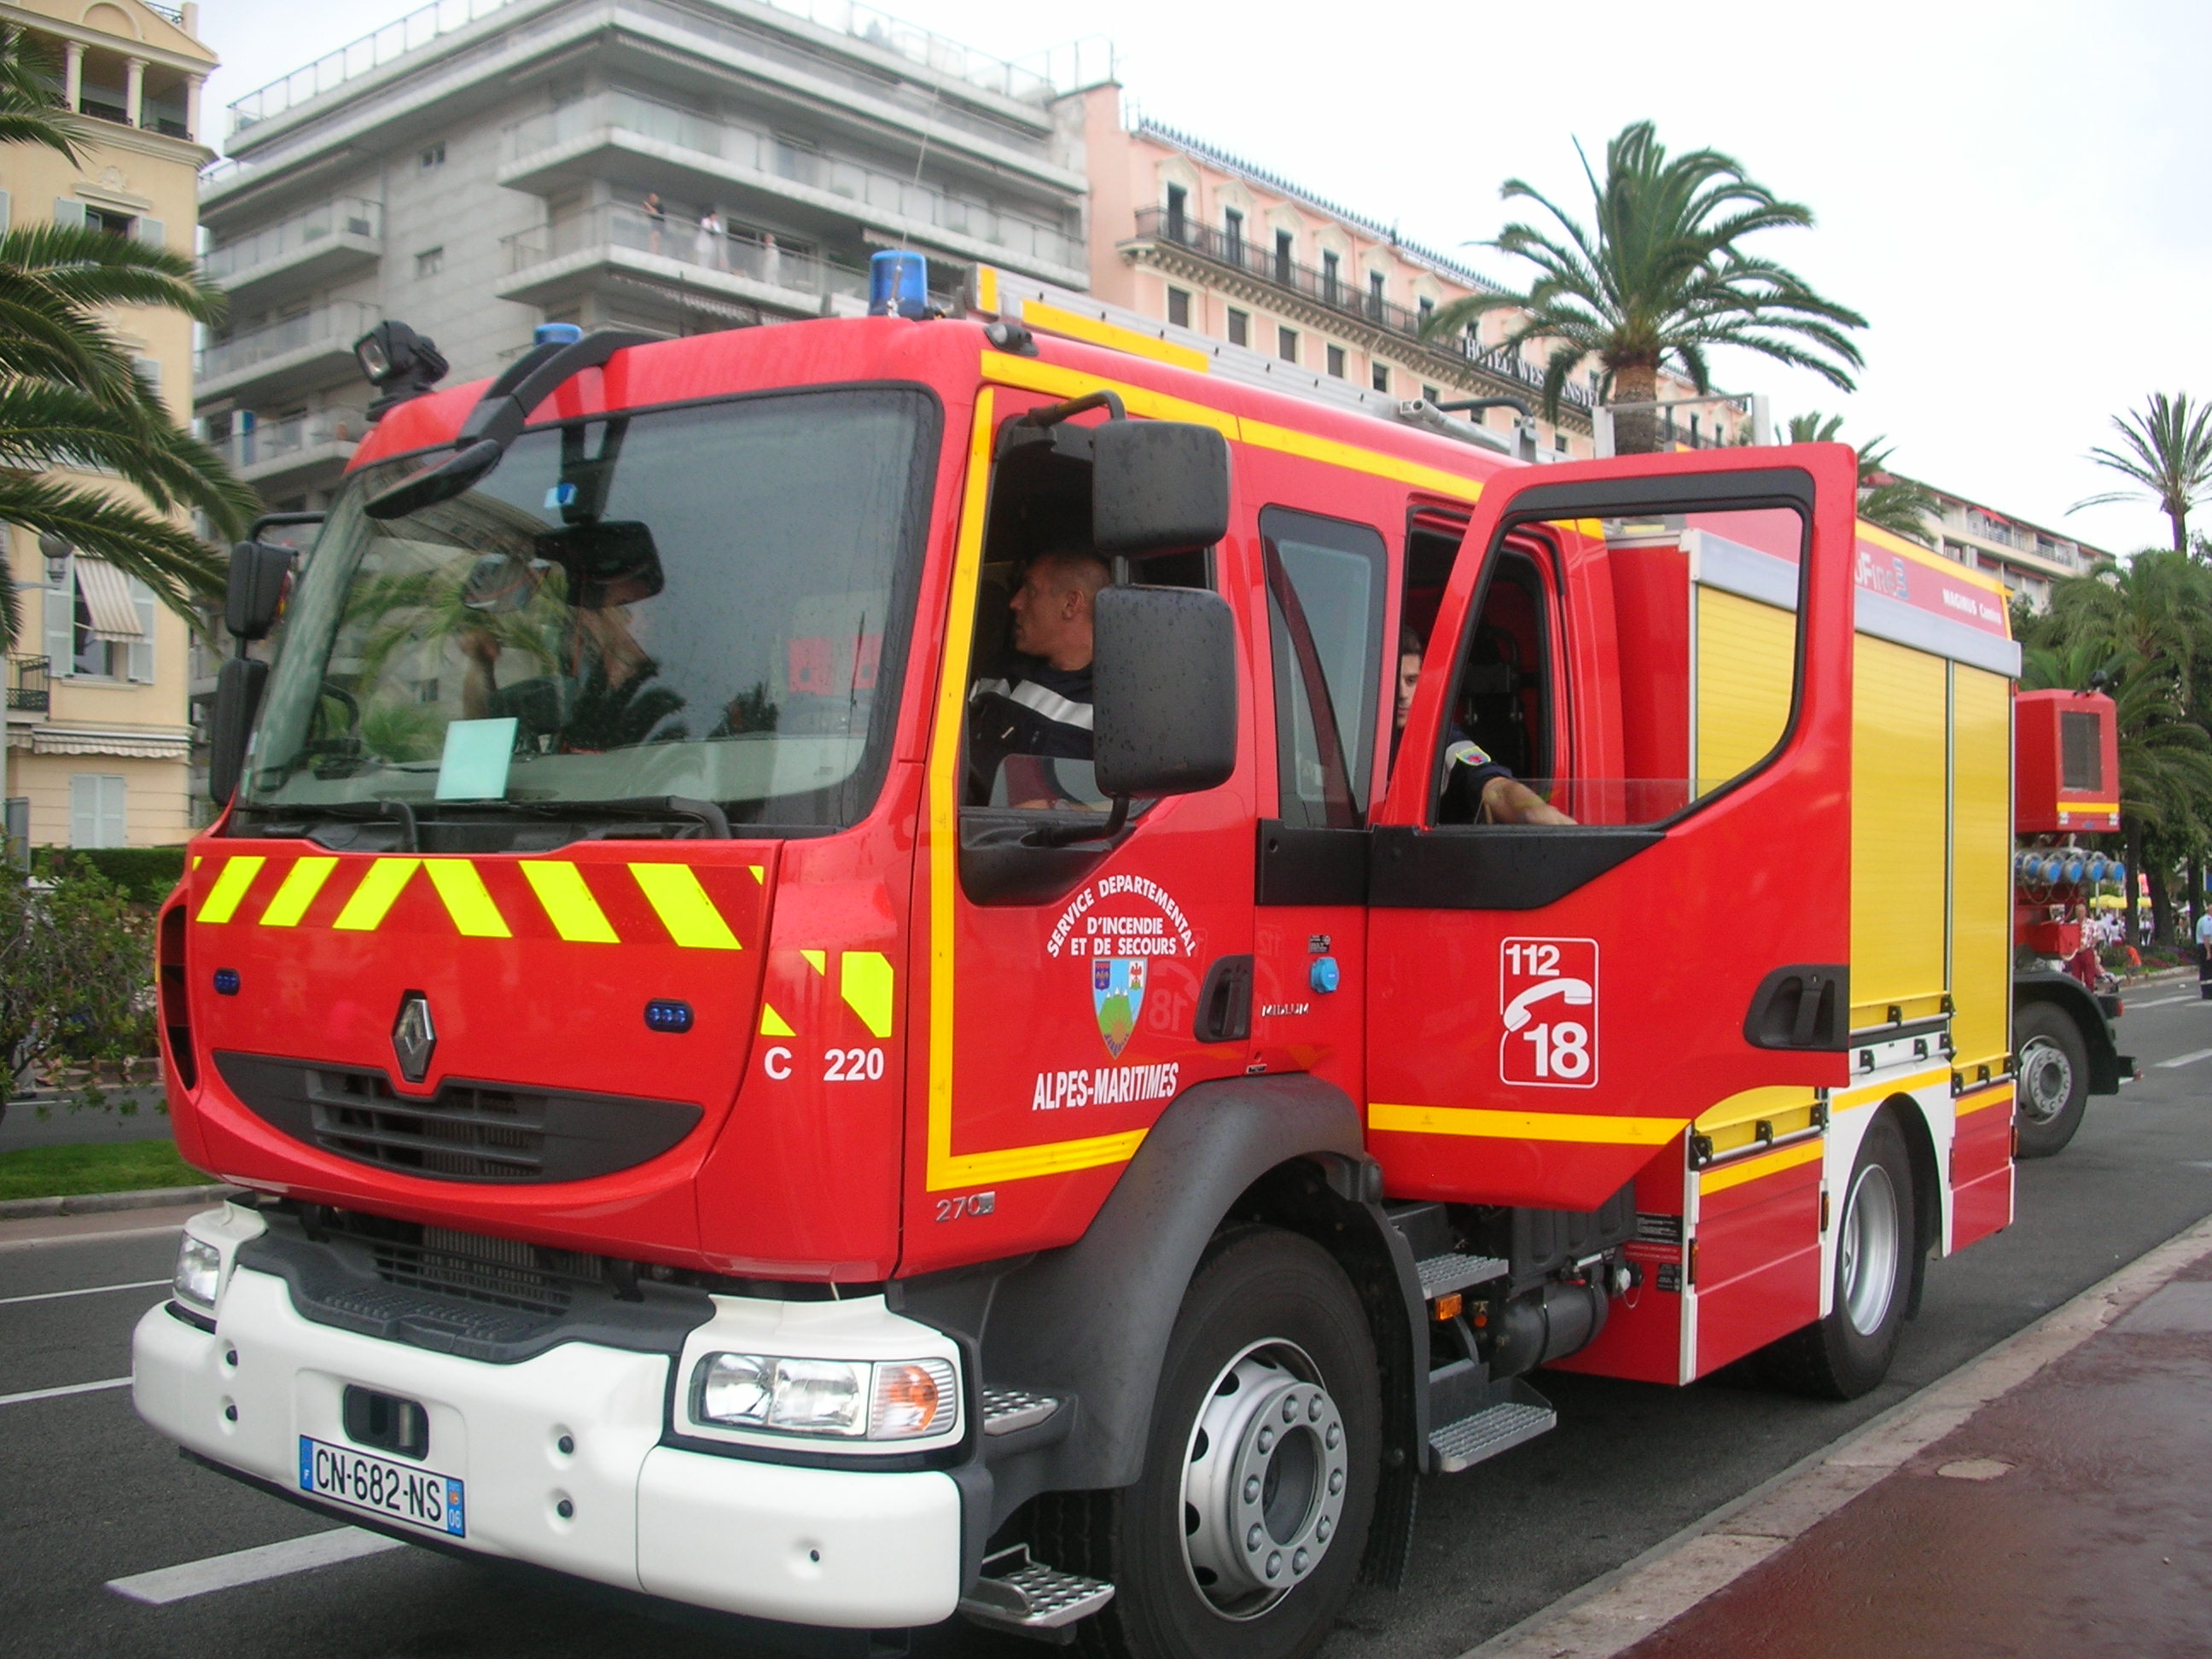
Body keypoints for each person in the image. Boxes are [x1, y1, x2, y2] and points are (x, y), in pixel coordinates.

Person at [968, 550, 1109, 806]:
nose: (1015, 603)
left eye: (1030, 590)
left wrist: (1060, 811)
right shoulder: (999, 672)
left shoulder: (1115, 705)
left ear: (1071, 604)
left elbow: (1144, 807)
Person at [1393, 626, 1572, 826]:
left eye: (1411, 680)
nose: (1402, 694)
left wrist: (1533, 810)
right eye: (1391, 681)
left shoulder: (1440, 739)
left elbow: (1495, 787)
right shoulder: (1354, 740)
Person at [2195, 901, 2212, 1000]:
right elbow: (2206, 937)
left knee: (2206, 970)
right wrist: (2208, 952)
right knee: (2207, 970)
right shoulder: (2208, 921)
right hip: (2206, 946)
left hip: (2203, 946)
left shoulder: (2202, 919)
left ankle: (2207, 991)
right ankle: (2208, 992)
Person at [642, 191, 666, 256]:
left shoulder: (659, 206)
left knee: (654, 239)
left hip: (658, 228)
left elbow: (655, 213)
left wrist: (648, 206)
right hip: (654, 228)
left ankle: (655, 253)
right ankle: (655, 253)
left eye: (653, 198)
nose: (652, 200)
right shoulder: (654, 206)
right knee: (653, 239)